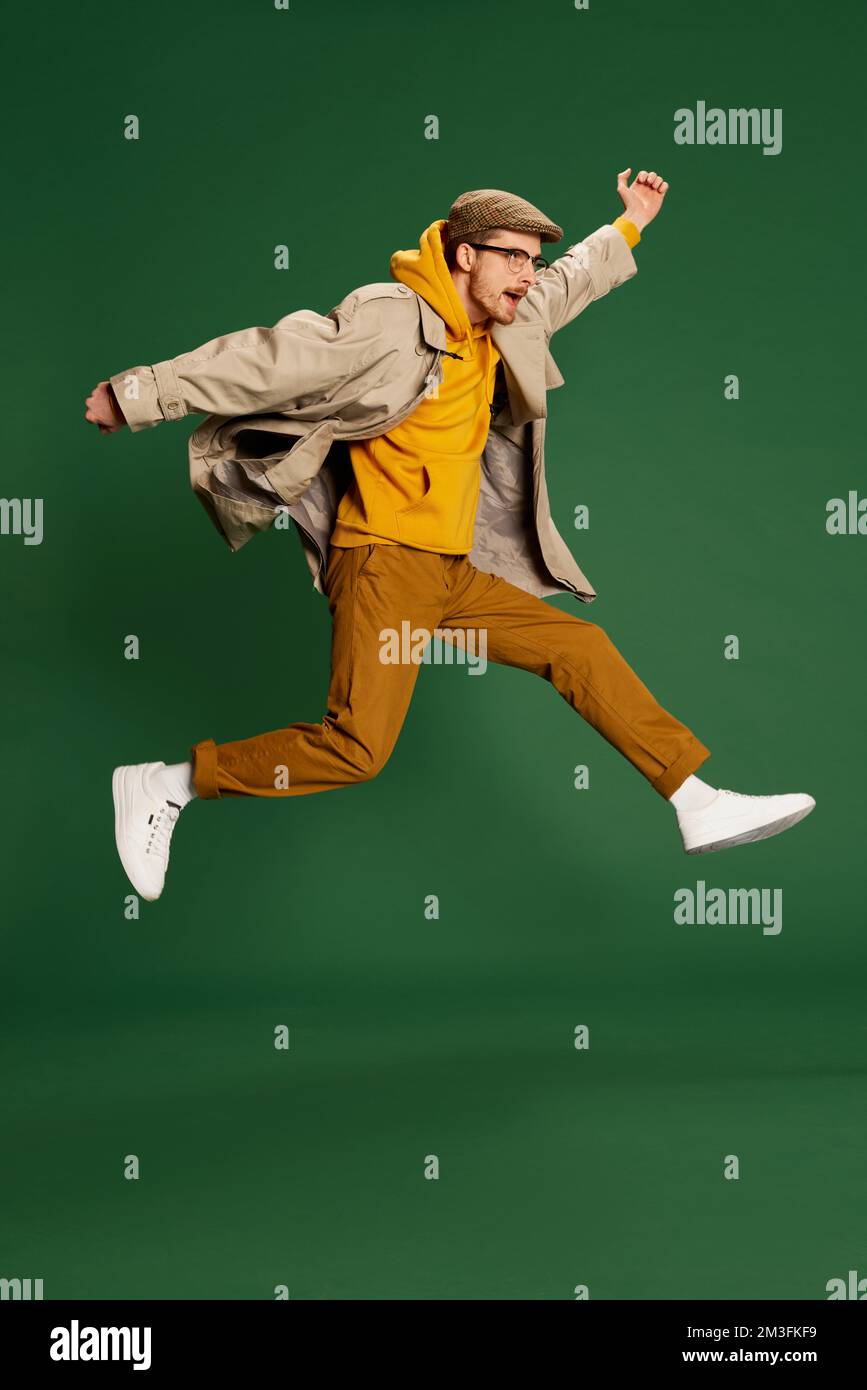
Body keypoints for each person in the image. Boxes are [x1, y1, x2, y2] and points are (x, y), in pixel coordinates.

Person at [86, 172, 815, 902]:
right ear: (465, 255)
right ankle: (167, 784)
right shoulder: (390, 319)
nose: (528, 276)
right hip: (380, 562)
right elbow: (269, 359)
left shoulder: (508, 319)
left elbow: (571, 282)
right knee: (357, 749)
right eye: (513, 258)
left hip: (447, 572)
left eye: (532, 260)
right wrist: (137, 394)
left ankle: (696, 803)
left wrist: (629, 224)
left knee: (576, 648)